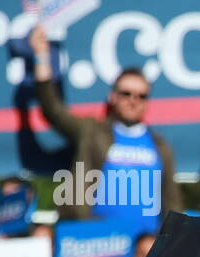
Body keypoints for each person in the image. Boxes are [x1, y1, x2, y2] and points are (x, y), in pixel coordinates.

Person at [30, 24, 181, 228]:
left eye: (141, 96)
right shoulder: (90, 131)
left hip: (146, 243)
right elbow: (53, 110)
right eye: (126, 94)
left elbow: (172, 201)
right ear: (112, 97)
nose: (133, 100)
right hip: (95, 239)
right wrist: (41, 55)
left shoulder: (160, 146)